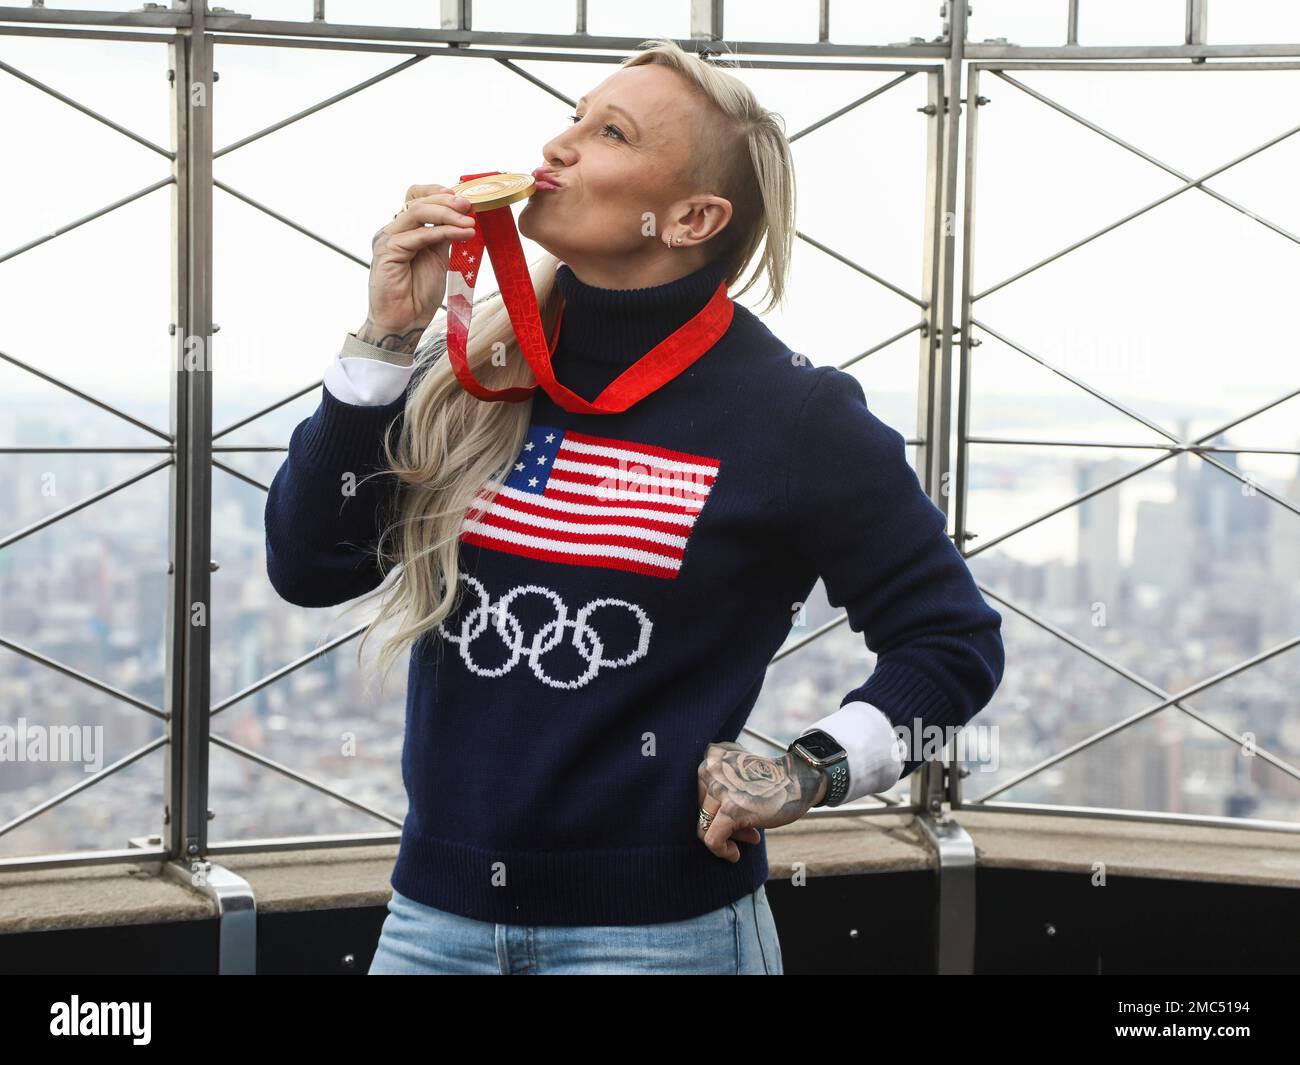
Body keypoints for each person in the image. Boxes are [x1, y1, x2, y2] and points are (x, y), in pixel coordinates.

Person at [264, 37, 1004, 975]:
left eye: (608, 131)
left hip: (659, 937)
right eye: (573, 116)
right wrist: (385, 333)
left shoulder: (795, 416)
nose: (559, 146)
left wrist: (810, 768)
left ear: (692, 216)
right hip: (432, 920)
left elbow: (953, 640)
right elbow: (309, 565)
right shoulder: (485, 366)